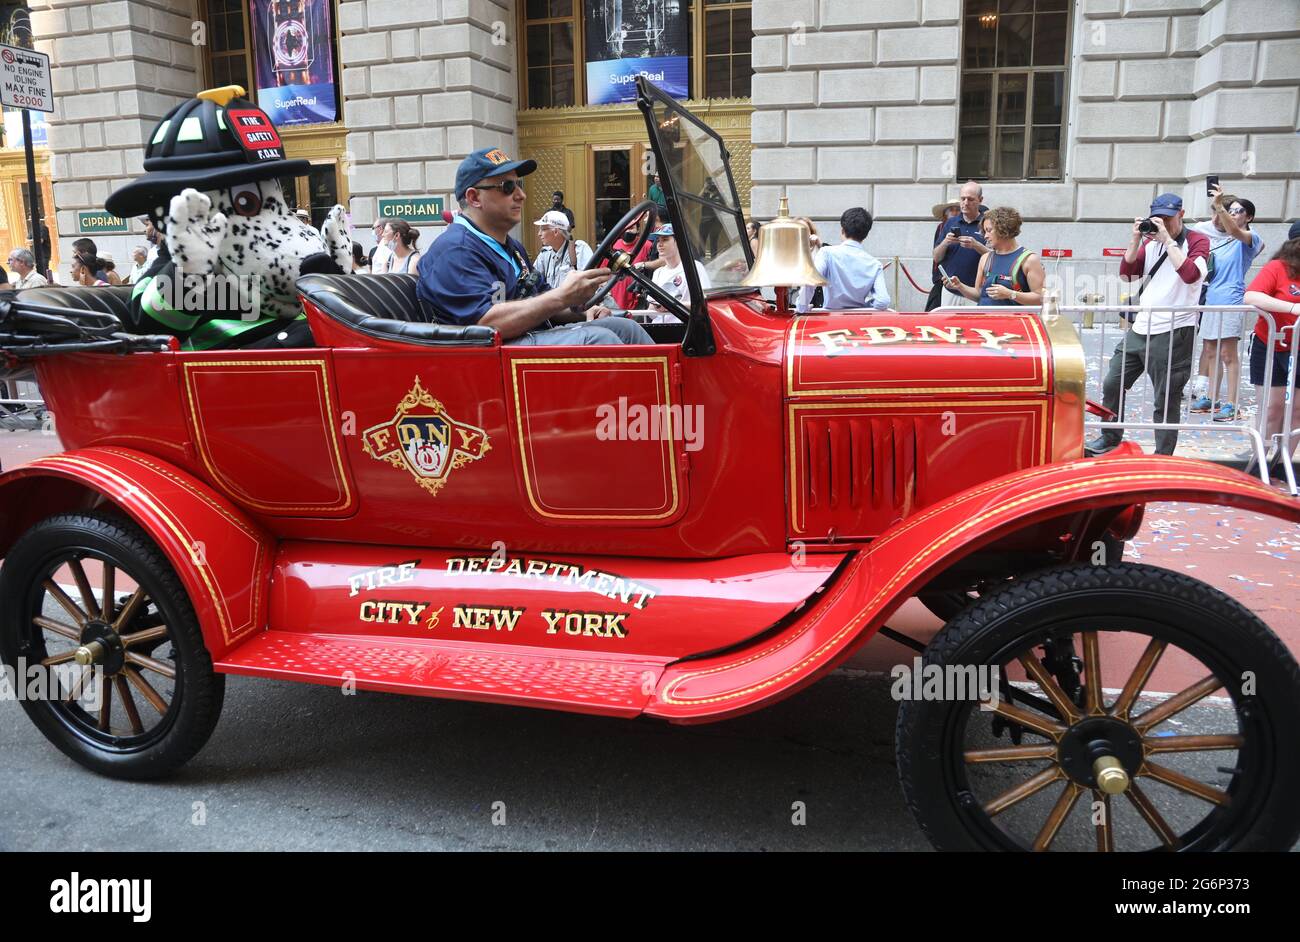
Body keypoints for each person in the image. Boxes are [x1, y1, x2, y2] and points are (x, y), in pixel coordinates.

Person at [417, 147, 652, 346]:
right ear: (474, 198)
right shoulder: (455, 250)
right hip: (487, 356)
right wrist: (563, 296)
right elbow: (486, 324)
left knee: (625, 328)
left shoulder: (512, 248)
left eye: (518, 184)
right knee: (599, 339)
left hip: (521, 339)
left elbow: (540, 299)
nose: (521, 195)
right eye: (507, 187)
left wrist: (579, 306)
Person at [1087, 193, 1210, 457]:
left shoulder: (1197, 240)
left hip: (1175, 330)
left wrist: (1167, 240)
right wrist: (1135, 239)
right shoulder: (1150, 241)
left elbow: (1190, 275)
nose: (1162, 222)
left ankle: (1163, 454)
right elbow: (1127, 274)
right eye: (1158, 217)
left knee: (1166, 397)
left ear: (1181, 214)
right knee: (1113, 382)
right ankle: (1110, 437)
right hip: (1142, 326)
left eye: (1168, 217)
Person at [1189, 188, 1263, 423]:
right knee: (1210, 351)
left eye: (1238, 212)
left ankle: (1232, 403)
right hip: (1212, 297)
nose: (1233, 215)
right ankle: (1212, 397)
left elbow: (1234, 229)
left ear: (1248, 217)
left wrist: (1220, 206)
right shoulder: (1222, 241)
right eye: (1231, 211)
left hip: (1231, 299)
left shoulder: (1250, 238)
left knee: (1228, 354)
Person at [1241, 221, 1300, 472]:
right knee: (1272, 407)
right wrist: (1292, 308)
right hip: (1272, 345)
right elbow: (1251, 295)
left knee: (1297, 410)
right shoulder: (1278, 267)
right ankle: (1259, 463)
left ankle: (1282, 463)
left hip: (1298, 349)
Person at [942, 207, 1044, 307]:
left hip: (1012, 321)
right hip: (984, 320)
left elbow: (1041, 298)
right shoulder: (985, 258)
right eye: (984, 231)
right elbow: (979, 295)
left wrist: (1011, 294)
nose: (985, 236)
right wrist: (960, 286)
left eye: (989, 230)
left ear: (1004, 229)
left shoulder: (1029, 260)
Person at [797, 207, 891, 312]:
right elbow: (883, 301)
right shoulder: (875, 264)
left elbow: (810, 282)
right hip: (859, 321)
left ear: (842, 230)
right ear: (866, 234)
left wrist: (802, 307)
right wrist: (865, 306)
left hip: (830, 319)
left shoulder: (827, 253)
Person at [931, 181, 989, 308]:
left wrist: (976, 245)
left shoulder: (987, 223)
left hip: (975, 293)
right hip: (950, 291)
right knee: (948, 327)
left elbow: (996, 257)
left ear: (980, 200)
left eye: (970, 199)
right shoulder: (950, 222)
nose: (966, 203)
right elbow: (936, 257)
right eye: (963, 199)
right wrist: (945, 242)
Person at [602, 207, 662, 311]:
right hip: (614, 300)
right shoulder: (614, 245)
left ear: (638, 230)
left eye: (632, 227)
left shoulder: (647, 245)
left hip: (637, 301)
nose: (629, 230)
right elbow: (604, 271)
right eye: (627, 227)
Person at [649, 224, 710, 313]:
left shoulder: (695, 267)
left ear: (678, 242)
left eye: (665, 239)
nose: (660, 244)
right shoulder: (657, 273)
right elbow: (651, 310)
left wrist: (670, 305)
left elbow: (705, 304)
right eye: (658, 240)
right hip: (661, 325)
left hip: (684, 325)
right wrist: (657, 307)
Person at [533, 210, 593, 288]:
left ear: (555, 232)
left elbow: (590, 282)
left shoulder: (579, 249)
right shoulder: (544, 255)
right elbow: (533, 280)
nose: (539, 234)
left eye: (543, 229)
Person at [926, 200, 960, 310]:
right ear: (946, 213)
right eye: (951, 210)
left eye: (957, 210)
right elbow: (936, 254)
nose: (954, 213)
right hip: (943, 278)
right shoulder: (941, 227)